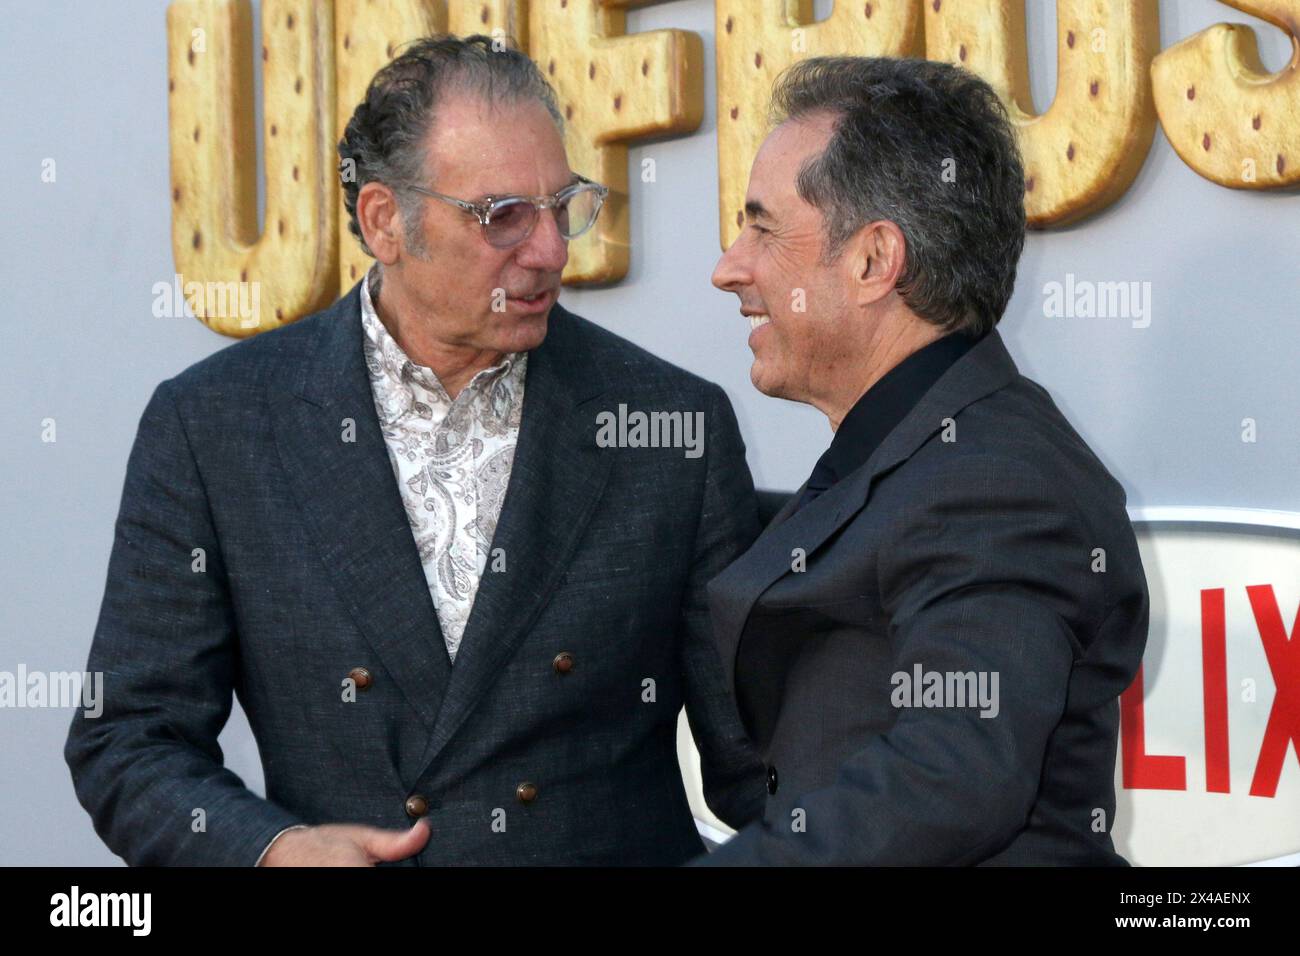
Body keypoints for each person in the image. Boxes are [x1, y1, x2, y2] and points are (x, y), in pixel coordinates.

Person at [66, 34, 766, 866]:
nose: (550, 251)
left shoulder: (673, 426)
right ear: (384, 223)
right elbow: (130, 738)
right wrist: (271, 851)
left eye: (564, 206)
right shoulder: (215, 426)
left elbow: (759, 771)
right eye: (503, 215)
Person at [699, 56, 1149, 865]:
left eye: (763, 228)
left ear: (874, 260)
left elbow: (951, 776)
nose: (730, 267)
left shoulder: (994, 484)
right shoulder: (916, 450)